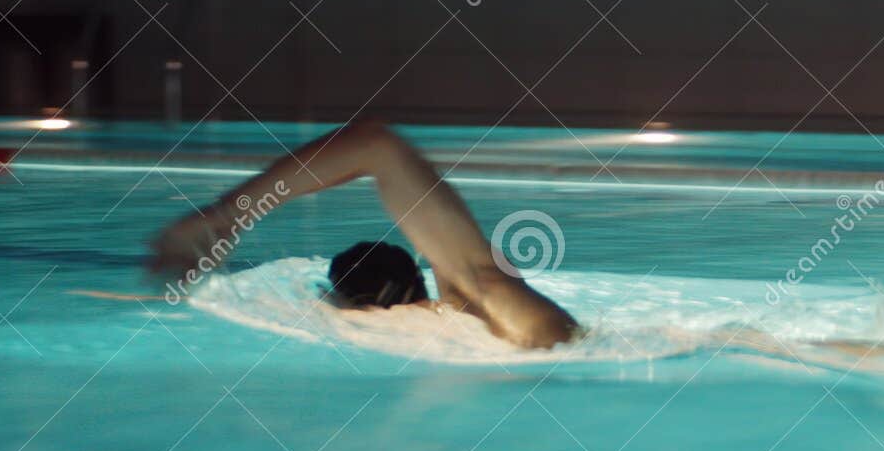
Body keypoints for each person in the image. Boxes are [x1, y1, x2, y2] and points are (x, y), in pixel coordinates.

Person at [149, 119, 581, 349]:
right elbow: (375, 145)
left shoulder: (476, 307)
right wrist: (228, 215)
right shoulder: (490, 293)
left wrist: (225, 218)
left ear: (354, 310)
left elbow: (376, 142)